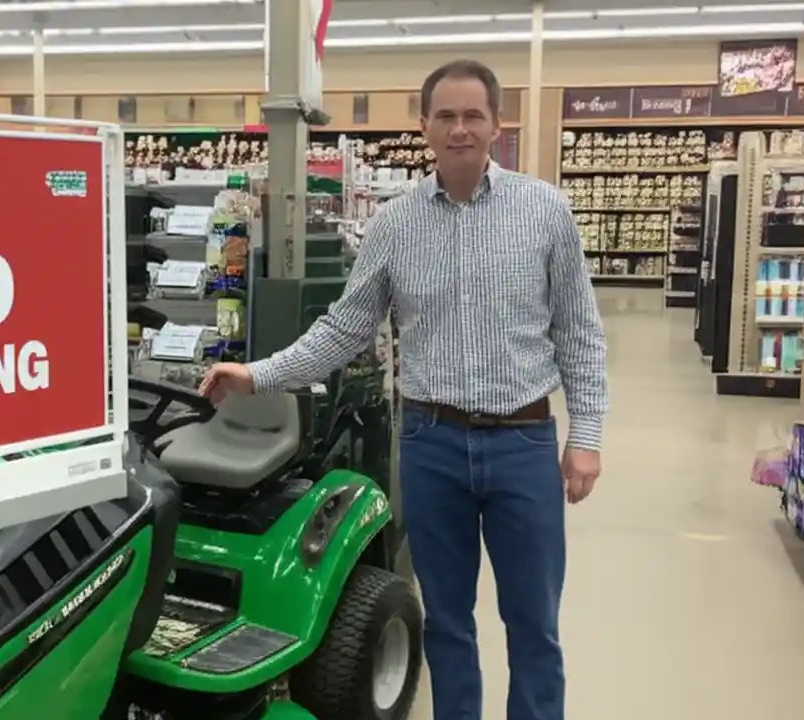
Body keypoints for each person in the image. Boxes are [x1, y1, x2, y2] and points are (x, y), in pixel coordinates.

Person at [199, 59, 608, 720]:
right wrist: (257, 375)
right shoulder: (394, 225)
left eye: (473, 115)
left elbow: (581, 334)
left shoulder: (545, 212)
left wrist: (585, 437)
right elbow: (344, 331)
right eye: (445, 116)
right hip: (431, 445)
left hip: (523, 444)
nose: (459, 129)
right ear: (424, 127)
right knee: (446, 622)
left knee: (534, 625)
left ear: (496, 124)